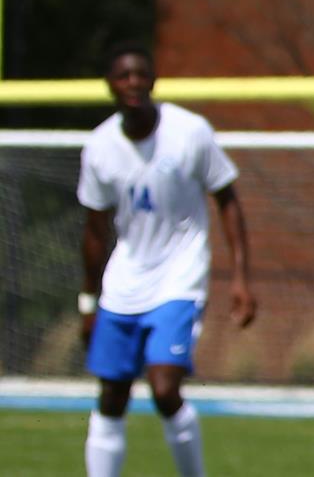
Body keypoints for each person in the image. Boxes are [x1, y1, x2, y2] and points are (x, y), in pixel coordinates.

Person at [78, 43, 255, 477]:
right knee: (112, 396)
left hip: (180, 277)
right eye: (123, 76)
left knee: (163, 389)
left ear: (153, 81)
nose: (133, 82)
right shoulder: (100, 147)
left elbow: (227, 200)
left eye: (141, 74)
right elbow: (95, 231)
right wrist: (88, 302)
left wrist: (240, 278)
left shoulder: (189, 131)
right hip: (124, 282)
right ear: (110, 86)